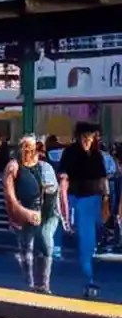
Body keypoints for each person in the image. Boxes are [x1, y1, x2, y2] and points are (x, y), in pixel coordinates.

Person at [4, 135, 62, 294]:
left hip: (47, 212)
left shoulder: (45, 167)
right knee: (26, 248)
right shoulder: (14, 167)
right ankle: (30, 281)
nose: (28, 151)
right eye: (25, 148)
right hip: (24, 211)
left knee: (44, 241)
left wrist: (41, 212)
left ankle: (43, 284)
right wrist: (20, 213)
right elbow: (9, 195)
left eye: (31, 148)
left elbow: (51, 192)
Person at [59, 121, 107, 298]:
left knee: (95, 236)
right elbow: (63, 174)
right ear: (79, 137)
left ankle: (91, 267)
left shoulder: (97, 155)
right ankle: (89, 279)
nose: (87, 140)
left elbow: (103, 180)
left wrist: (106, 200)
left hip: (95, 198)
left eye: (90, 137)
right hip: (79, 198)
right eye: (85, 137)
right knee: (87, 240)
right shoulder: (70, 152)